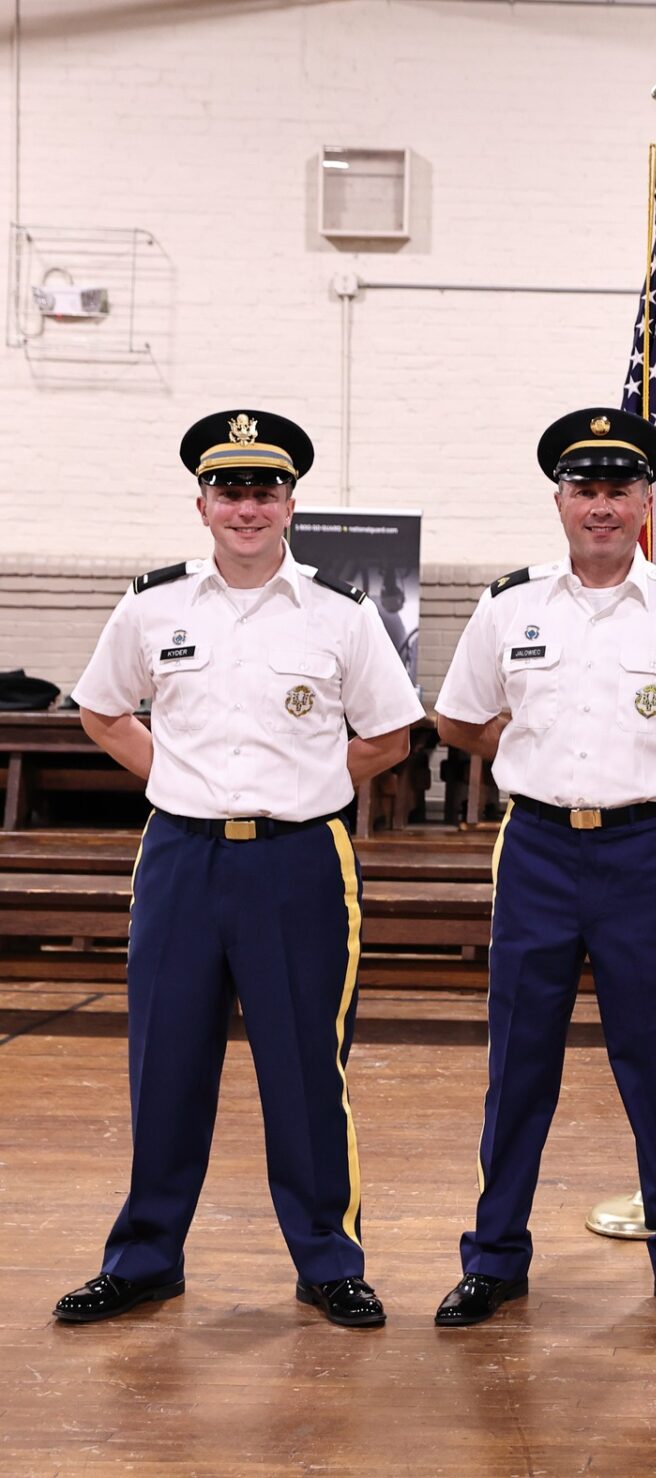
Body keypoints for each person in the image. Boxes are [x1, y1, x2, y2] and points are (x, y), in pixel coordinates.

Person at [56, 409, 423, 1328]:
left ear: (292, 502)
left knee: (304, 1068)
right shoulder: (153, 606)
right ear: (202, 504)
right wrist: (177, 778)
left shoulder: (341, 615)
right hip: (182, 857)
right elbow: (102, 712)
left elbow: (389, 735)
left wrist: (305, 786)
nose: (247, 506)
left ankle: (327, 1259)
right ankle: (145, 1259)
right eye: (230, 491)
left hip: (300, 860)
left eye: (265, 490)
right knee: (166, 1064)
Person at [431, 407, 656, 1331]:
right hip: (537, 849)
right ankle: (495, 1259)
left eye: (619, 489)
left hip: (641, 853)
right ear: (559, 500)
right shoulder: (510, 606)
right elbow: (458, 722)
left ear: (644, 501)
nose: (601, 506)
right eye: (584, 489)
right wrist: (520, 742)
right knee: (519, 1068)